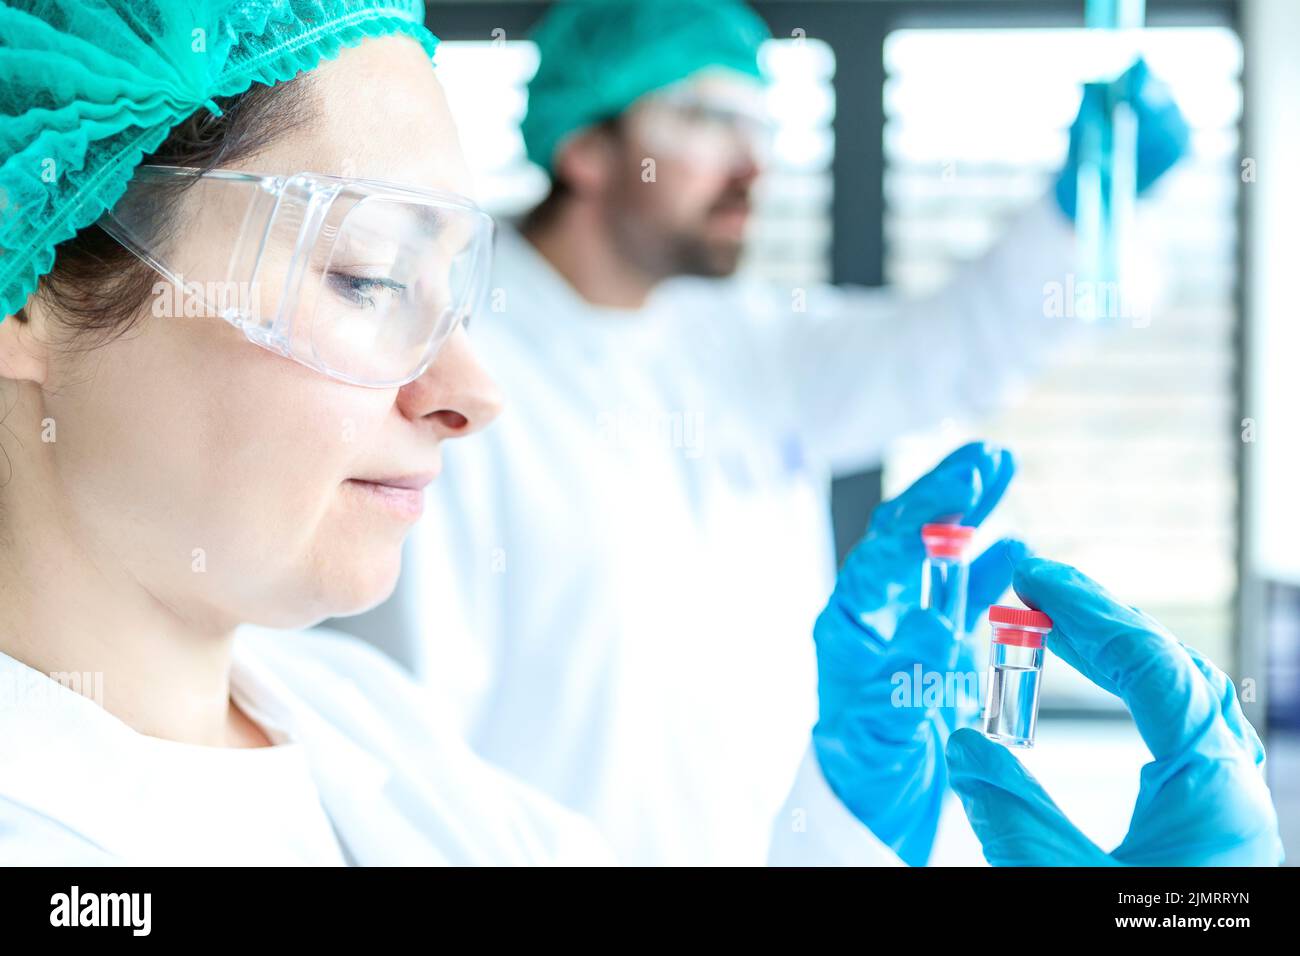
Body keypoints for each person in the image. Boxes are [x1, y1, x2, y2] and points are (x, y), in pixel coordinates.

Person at [0, 0, 1277, 869]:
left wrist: (1083, 212)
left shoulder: (352, 723)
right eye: (365, 275)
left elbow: (954, 343)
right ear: (30, 290)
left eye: (449, 291)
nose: (473, 393)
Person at [370, 0, 1192, 864]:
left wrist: (1079, 212)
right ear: (584, 148)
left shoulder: (746, 343)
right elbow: (408, 743)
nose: (751, 163)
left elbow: (952, 345)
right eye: (704, 117)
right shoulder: (450, 373)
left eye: (759, 124)